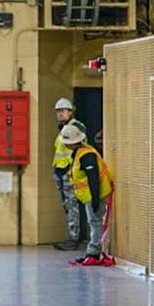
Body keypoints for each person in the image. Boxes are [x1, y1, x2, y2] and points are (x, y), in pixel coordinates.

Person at [60, 124, 114, 265]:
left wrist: (96, 199)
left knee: (95, 223)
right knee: (94, 222)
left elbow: (93, 178)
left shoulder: (87, 155)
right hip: (89, 195)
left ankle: (93, 253)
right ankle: (93, 251)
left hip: (96, 194)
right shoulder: (79, 153)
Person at [51, 98, 86, 251]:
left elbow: (79, 148)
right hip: (60, 171)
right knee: (68, 205)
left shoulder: (76, 127)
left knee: (73, 206)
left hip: (69, 172)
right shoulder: (64, 129)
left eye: (63, 111)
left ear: (71, 111)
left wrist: (70, 170)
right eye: (58, 111)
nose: (60, 114)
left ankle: (74, 238)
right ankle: (72, 236)